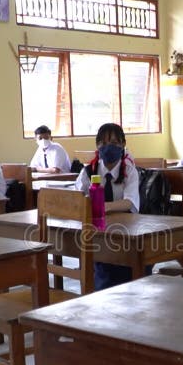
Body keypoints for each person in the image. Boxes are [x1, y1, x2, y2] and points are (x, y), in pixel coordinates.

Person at [75, 123, 145, 290]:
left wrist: (103, 206)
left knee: (123, 266)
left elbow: (130, 202)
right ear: (97, 146)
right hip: (95, 228)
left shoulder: (129, 170)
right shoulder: (89, 170)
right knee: (101, 260)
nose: (108, 147)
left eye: (114, 143)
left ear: (123, 145)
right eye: (103, 143)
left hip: (125, 229)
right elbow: (77, 198)